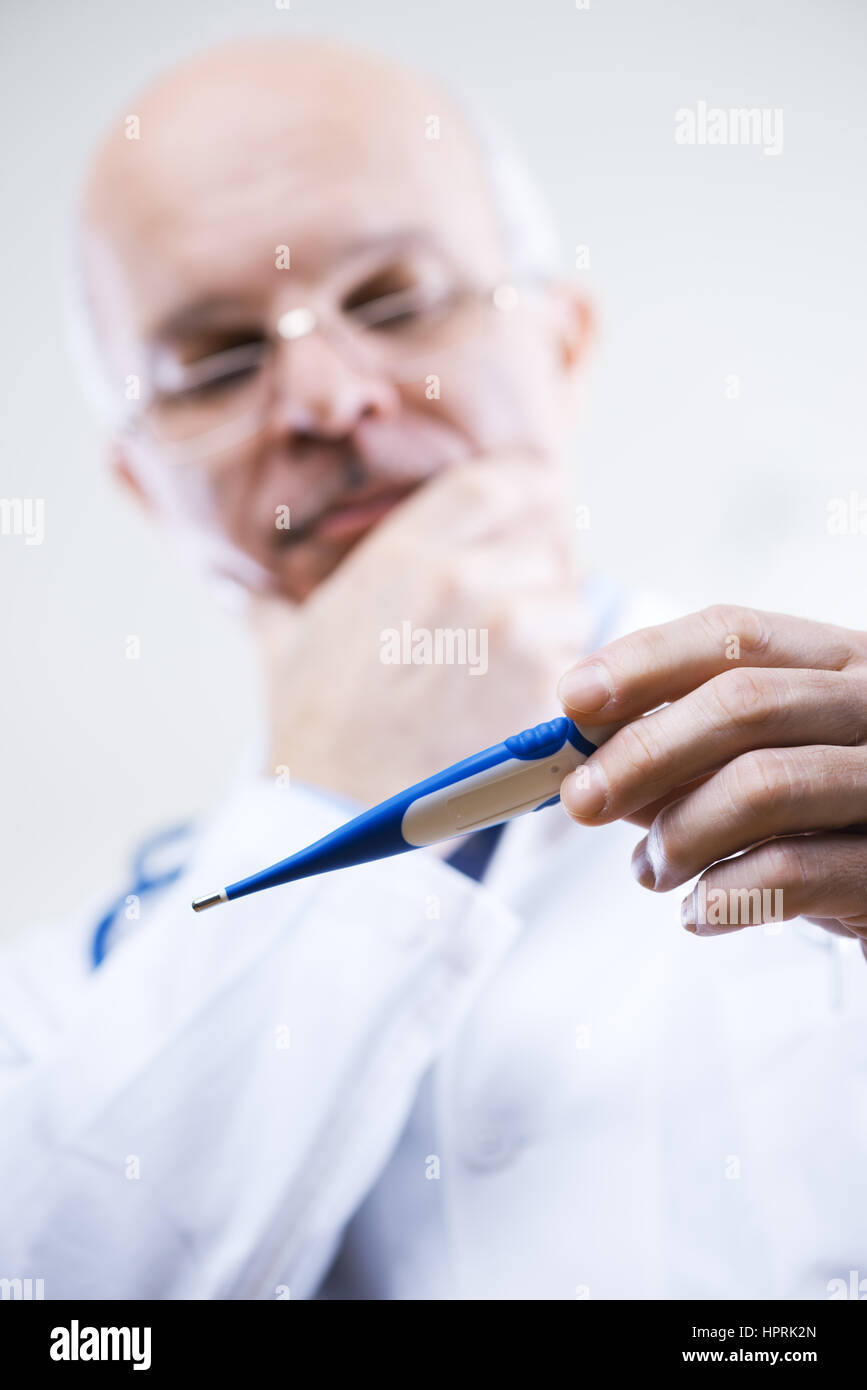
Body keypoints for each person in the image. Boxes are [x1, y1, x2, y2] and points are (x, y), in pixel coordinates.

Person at [2, 38, 867, 1301]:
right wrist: (329, 792)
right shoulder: (57, 1017)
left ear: (564, 344)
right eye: (220, 359)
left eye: (397, 298)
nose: (327, 395)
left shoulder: (844, 762)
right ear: (146, 487)